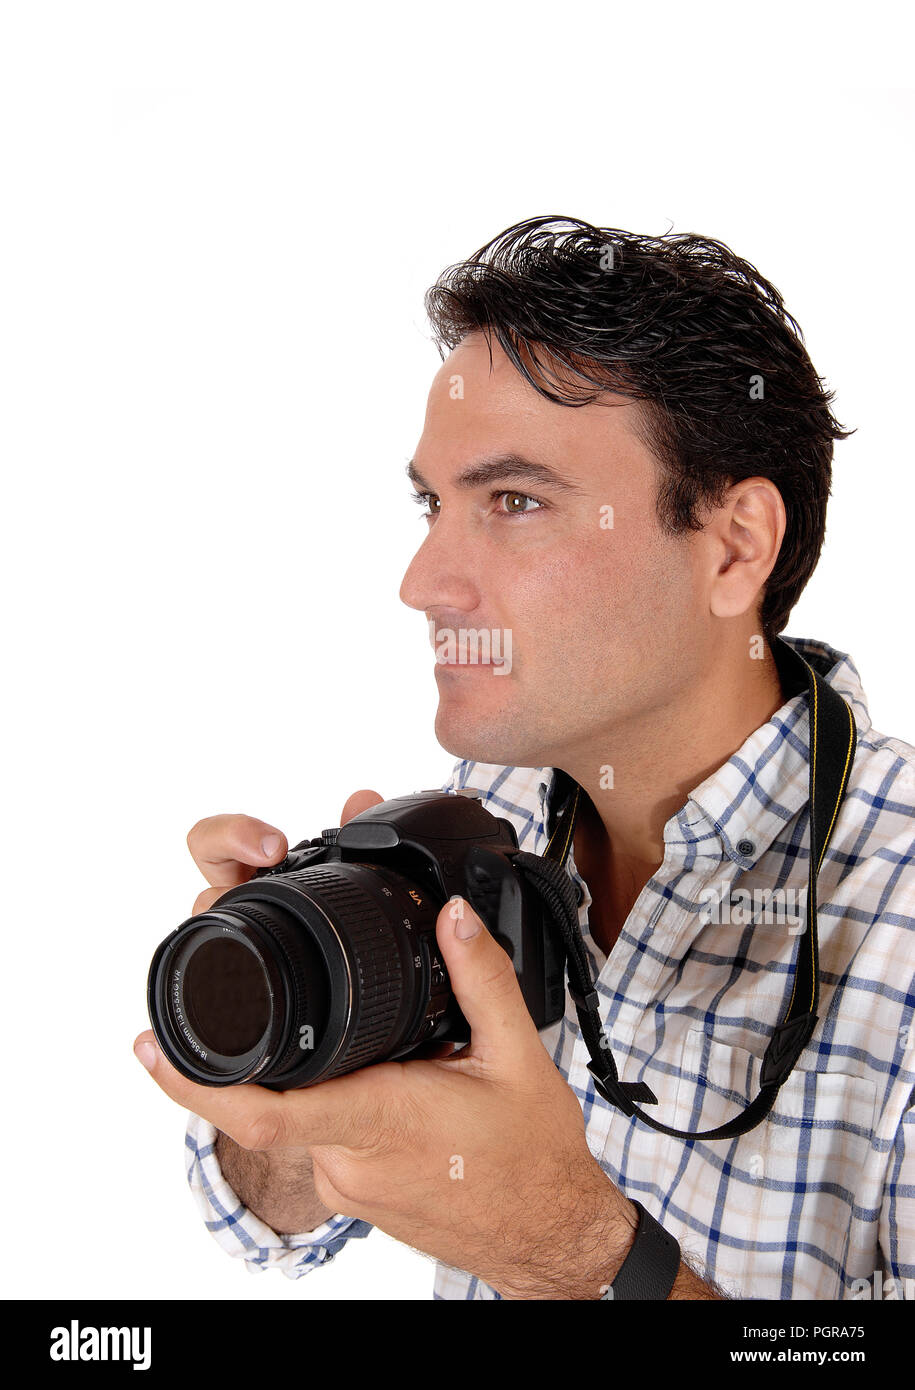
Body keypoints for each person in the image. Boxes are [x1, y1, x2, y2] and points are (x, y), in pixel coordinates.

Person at [134, 216, 915, 1300]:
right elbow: (265, 1223)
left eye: (514, 501)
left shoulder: (899, 911)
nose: (424, 580)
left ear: (735, 545)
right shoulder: (475, 822)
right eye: (433, 502)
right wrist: (295, 1021)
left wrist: (577, 1254)